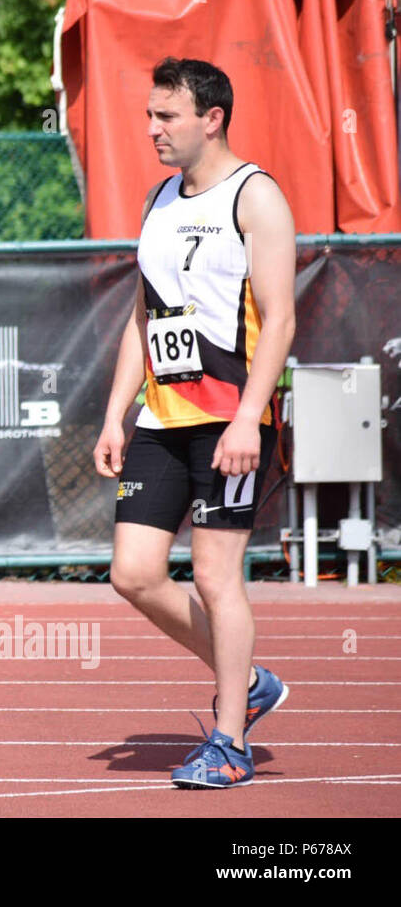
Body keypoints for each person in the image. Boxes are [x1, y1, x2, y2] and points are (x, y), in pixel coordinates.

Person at [93, 57, 296, 788]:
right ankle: (250, 679)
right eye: (150, 115)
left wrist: (249, 416)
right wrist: (116, 414)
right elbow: (142, 317)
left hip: (230, 419)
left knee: (215, 574)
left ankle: (231, 741)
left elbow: (279, 320)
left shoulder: (256, 196)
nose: (151, 128)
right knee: (133, 573)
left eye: (166, 116)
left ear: (212, 119)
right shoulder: (159, 200)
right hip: (161, 415)